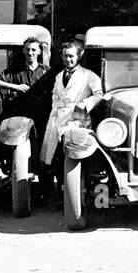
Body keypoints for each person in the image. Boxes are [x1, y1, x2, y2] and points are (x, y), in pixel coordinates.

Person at [36, 39, 103, 196]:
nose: (68, 59)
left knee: (74, 155)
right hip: (58, 119)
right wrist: (55, 110)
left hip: (77, 120)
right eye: (65, 56)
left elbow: (99, 94)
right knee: (56, 158)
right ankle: (62, 195)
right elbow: (55, 95)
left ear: (79, 56)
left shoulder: (87, 75)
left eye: (71, 56)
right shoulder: (60, 75)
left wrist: (84, 104)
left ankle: (77, 194)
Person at [0, 35, 48, 119]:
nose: (30, 53)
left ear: (39, 52)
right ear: (23, 51)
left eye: (33, 50)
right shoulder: (15, 70)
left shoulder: (46, 71)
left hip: (42, 115)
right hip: (21, 116)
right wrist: (16, 87)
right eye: (27, 49)